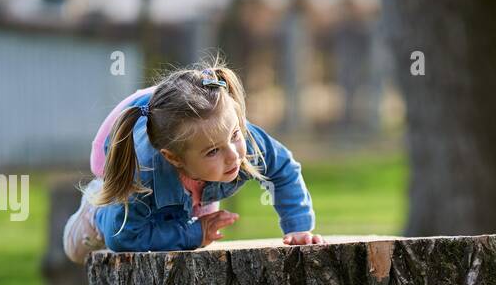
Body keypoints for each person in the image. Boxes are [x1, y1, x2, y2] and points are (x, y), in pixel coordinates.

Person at [63, 56, 321, 263]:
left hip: (198, 187)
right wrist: (195, 233)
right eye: (213, 151)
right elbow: (123, 238)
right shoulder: (142, 172)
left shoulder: (244, 141)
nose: (233, 155)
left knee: (195, 254)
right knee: (77, 251)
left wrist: (297, 226)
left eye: (234, 135)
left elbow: (283, 168)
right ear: (173, 158)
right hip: (141, 190)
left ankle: (190, 206)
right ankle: (96, 210)